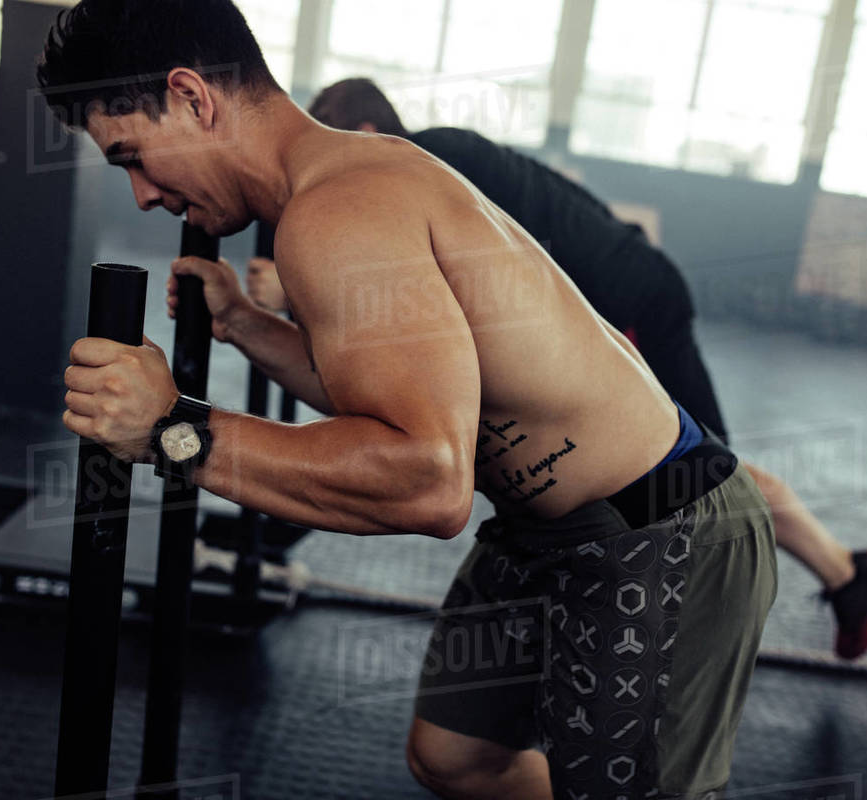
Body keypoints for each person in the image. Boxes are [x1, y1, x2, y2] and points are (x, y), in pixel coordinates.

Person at [38, 2, 776, 797]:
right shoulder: (349, 177)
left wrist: (170, 431)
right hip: (546, 533)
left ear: (191, 96)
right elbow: (397, 391)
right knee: (457, 756)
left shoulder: (337, 212)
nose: (144, 195)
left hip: (660, 528)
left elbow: (428, 479)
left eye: (133, 157)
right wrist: (249, 327)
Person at [242, 77, 867, 662]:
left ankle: (846, 574)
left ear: (363, 135)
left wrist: (292, 296)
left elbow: (417, 317)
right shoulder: (422, 167)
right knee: (684, 474)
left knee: (700, 477)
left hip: (626, 301)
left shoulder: (422, 165)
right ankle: (844, 572)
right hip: (615, 295)